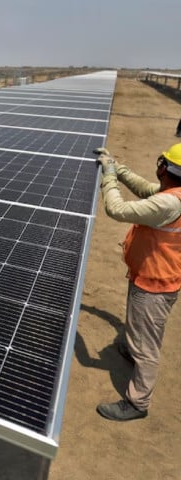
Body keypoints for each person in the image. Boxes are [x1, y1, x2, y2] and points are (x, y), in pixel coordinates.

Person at [95, 144, 181, 421]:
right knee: (137, 327)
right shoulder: (174, 194)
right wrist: (118, 168)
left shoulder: (170, 203)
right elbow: (147, 190)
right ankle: (131, 349)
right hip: (152, 275)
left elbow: (116, 209)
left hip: (156, 284)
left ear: (165, 169)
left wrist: (108, 177)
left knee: (147, 346)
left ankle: (137, 402)